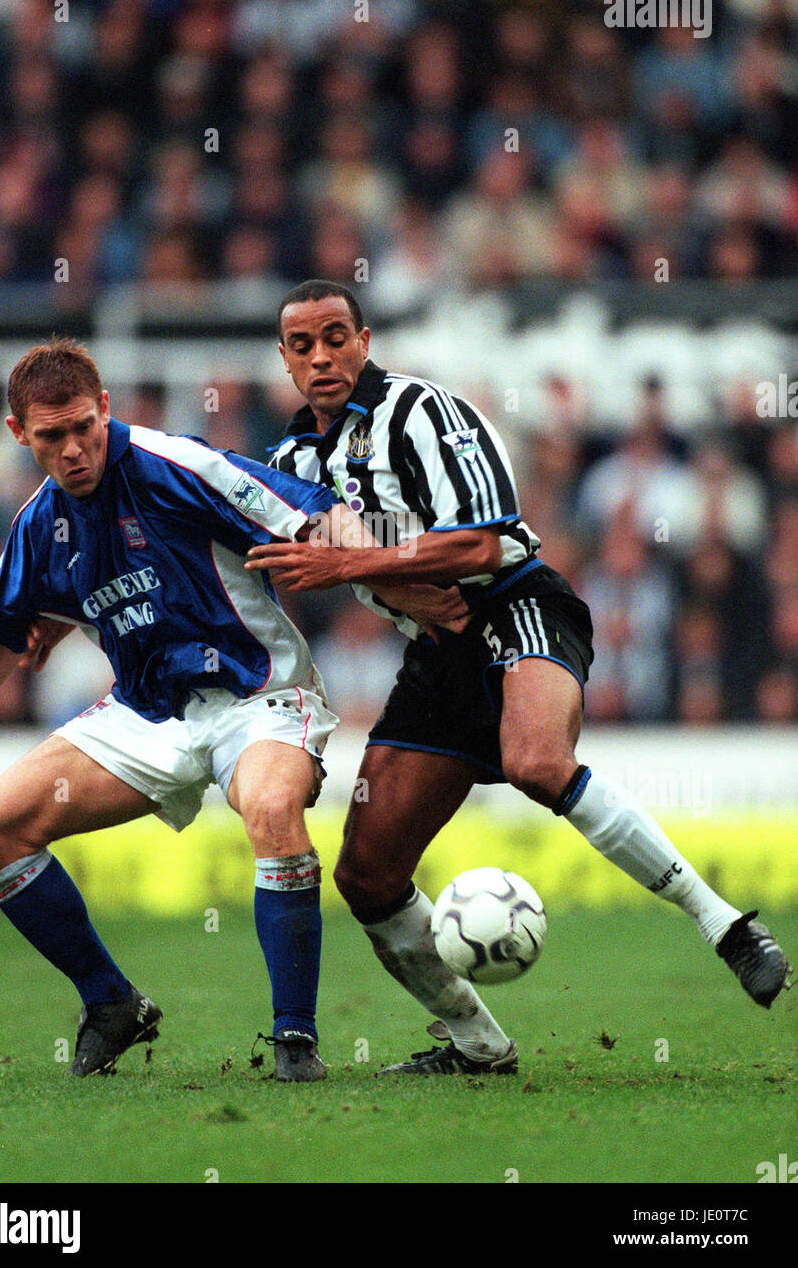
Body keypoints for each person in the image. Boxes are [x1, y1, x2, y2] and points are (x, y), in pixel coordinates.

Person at [245, 279, 791, 1076]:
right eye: (303, 344)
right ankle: (477, 1046)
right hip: (437, 650)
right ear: (285, 360)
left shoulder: (424, 412)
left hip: (515, 605)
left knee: (536, 762)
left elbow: (482, 542)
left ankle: (728, 929)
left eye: (336, 336)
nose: (322, 356)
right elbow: (277, 548)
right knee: (366, 873)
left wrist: (353, 563)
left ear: (364, 340)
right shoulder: (292, 460)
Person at [0, 337, 343, 1082]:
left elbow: (312, 516)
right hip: (147, 714)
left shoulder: (175, 463)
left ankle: (293, 1044)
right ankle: (111, 1002)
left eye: (84, 427)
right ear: (19, 436)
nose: (74, 450)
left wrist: (413, 578)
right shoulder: (37, 524)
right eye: (51, 437)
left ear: (105, 410)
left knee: (273, 811)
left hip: (259, 696)